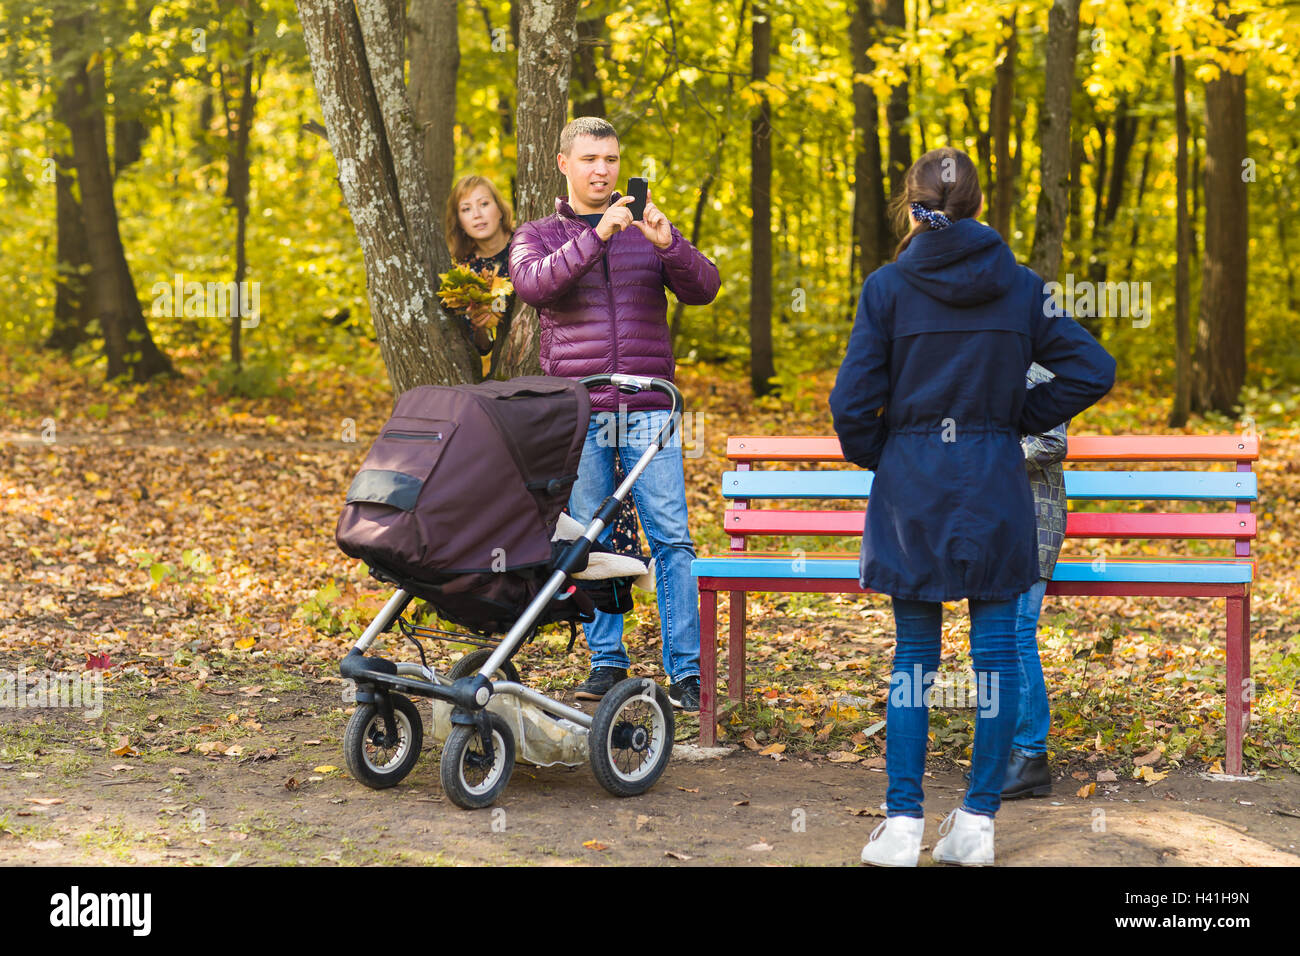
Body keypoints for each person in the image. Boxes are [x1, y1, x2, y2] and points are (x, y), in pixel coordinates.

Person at [830, 146, 1115, 866]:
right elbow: (1093, 368)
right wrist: (1016, 416)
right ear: (979, 203)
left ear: (912, 204)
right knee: (994, 659)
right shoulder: (1021, 288)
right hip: (993, 481)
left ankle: (900, 827)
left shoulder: (888, 287)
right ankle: (977, 826)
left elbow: (850, 405)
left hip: (914, 487)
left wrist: (885, 452)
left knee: (915, 658)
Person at [509, 116, 720, 712]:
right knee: (589, 536)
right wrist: (598, 235)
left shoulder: (644, 232)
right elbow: (534, 286)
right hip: (579, 411)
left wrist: (669, 244)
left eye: (610, 159)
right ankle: (606, 663)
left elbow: (705, 288)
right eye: (589, 159)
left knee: (671, 538)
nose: (602, 170)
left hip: (649, 407)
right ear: (564, 164)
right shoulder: (540, 233)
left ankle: (685, 672)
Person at [1003, 362, 1069, 798]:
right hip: (991, 521)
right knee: (994, 635)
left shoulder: (1033, 375)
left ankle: (1030, 755)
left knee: (1015, 633)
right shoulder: (984, 361)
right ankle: (1008, 750)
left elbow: (1051, 441)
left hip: (1031, 522)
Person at [444, 175, 517, 376]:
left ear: (500, 210)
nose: (477, 214)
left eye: (484, 204)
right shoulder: (465, 274)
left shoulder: (526, 243)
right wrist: (480, 327)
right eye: (466, 209)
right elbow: (483, 347)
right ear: (459, 222)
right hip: (508, 367)